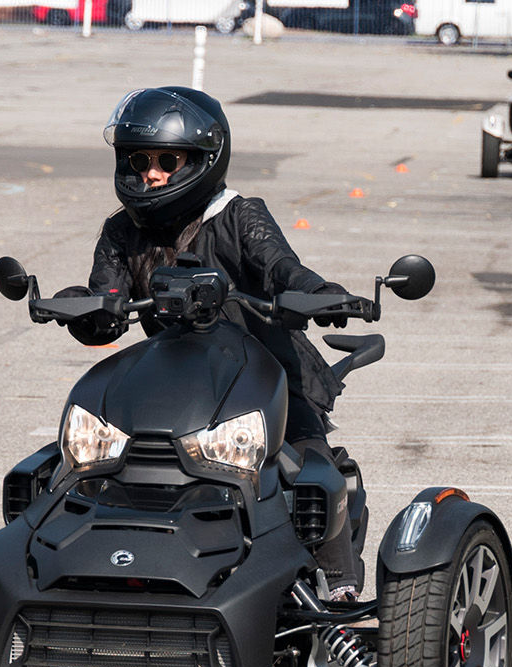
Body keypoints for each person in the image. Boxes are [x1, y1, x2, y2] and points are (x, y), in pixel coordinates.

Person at [61, 87, 364, 598]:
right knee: (80, 456)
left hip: (268, 375)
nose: (150, 174)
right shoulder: (120, 231)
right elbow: (105, 301)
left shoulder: (240, 215)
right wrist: (83, 309)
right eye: (139, 161)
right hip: (177, 379)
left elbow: (281, 267)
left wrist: (319, 294)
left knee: (312, 468)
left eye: (166, 160)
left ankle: (340, 593)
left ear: (204, 159)